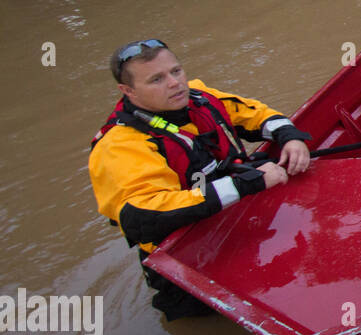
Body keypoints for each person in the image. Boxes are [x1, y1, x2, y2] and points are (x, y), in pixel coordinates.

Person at [88, 39, 312, 319]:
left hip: (236, 223)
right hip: (184, 261)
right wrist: (246, 184)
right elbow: (143, 216)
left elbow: (254, 114)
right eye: (157, 79)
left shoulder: (200, 97)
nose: (175, 83)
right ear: (128, 91)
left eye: (176, 71)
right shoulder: (120, 146)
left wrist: (289, 136)